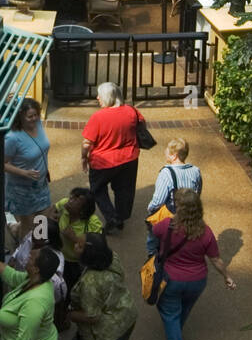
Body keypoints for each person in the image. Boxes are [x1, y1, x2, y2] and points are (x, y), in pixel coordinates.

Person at [150, 189, 235, 340]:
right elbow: (216, 260)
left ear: (180, 208)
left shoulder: (167, 225)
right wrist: (227, 277)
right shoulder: (206, 232)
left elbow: (153, 232)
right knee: (184, 310)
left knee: (170, 313)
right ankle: (176, 335)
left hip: (171, 279)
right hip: (197, 281)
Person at [67, 231, 136, 340]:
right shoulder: (112, 257)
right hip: (126, 315)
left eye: (80, 245)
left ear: (88, 254)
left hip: (105, 334)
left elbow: (92, 317)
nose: (75, 244)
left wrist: (70, 314)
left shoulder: (91, 282)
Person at [81, 82, 144, 232]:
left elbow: (87, 142)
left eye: (100, 96)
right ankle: (121, 216)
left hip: (102, 162)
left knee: (97, 189)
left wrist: (84, 158)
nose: (97, 98)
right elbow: (141, 124)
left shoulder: (98, 117)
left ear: (108, 97)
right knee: (124, 189)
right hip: (129, 159)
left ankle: (112, 217)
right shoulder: (131, 111)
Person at [145, 138, 204, 256]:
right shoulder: (195, 171)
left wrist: (150, 210)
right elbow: (197, 193)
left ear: (174, 156)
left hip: (172, 215)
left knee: (154, 235)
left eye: (167, 150)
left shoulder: (166, 173)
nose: (165, 151)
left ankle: (153, 256)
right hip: (188, 213)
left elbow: (158, 201)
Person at [4, 97, 51, 226]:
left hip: (41, 185)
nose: (35, 119)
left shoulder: (38, 125)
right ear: (20, 117)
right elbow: (1, 163)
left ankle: (38, 245)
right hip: (22, 189)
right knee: (28, 227)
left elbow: (42, 148)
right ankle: (21, 238)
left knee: (42, 222)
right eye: (30, 116)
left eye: (36, 115)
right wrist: (24, 173)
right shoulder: (12, 138)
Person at [52, 187, 102, 292]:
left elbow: (96, 249)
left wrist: (74, 238)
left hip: (78, 263)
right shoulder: (64, 204)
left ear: (83, 211)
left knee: (76, 287)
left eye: (77, 201)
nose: (70, 201)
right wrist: (53, 216)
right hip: (60, 257)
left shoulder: (93, 223)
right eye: (72, 197)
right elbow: (53, 209)